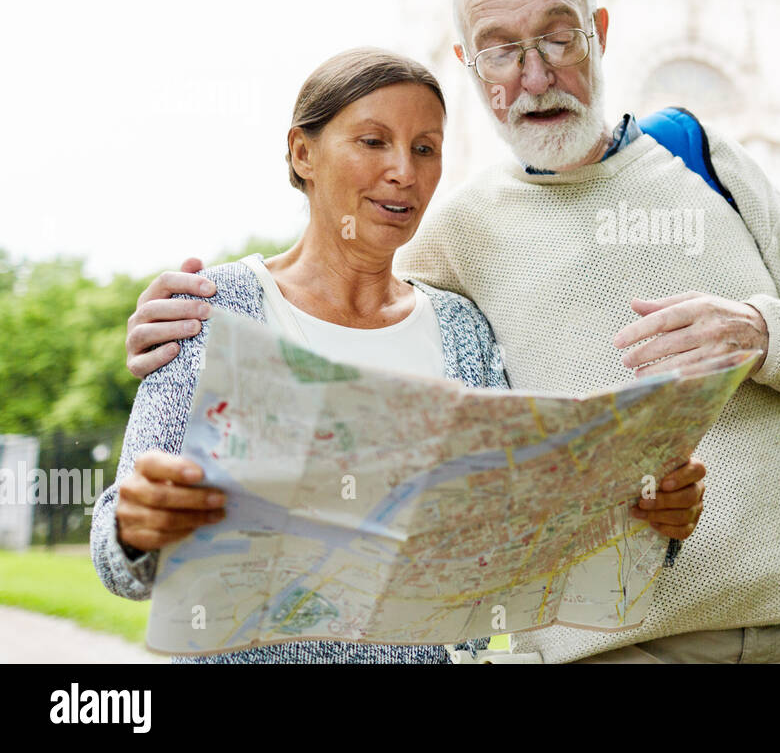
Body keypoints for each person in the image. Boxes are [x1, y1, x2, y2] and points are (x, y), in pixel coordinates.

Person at [127, 0, 780, 664]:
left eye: (558, 39)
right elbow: (334, 314)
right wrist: (180, 323)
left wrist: (762, 330)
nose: (534, 76)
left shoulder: (703, 155)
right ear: (469, 65)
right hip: (615, 651)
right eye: (501, 50)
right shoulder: (456, 231)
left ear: (597, 35)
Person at [95, 46, 706, 664]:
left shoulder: (462, 331)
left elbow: (518, 538)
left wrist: (643, 515)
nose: (403, 172)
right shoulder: (206, 310)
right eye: (372, 141)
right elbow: (116, 553)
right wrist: (135, 526)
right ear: (303, 153)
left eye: (424, 148)